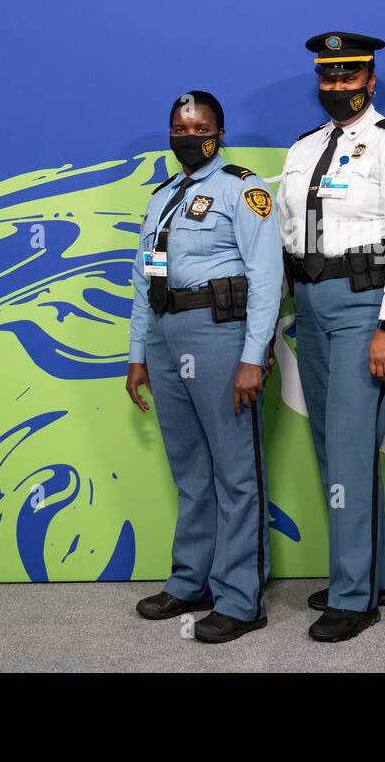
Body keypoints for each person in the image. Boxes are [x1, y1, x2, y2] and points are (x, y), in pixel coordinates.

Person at [278, 32, 385, 642]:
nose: (336, 88)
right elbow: (291, 229)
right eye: (327, 78)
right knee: (334, 443)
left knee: (346, 444)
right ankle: (376, 574)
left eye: (348, 78)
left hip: (367, 307)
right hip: (311, 305)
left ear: (370, 80)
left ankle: (353, 595)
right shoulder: (303, 147)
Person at [126, 90, 283, 644]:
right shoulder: (162, 198)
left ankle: (242, 598)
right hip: (167, 336)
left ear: (220, 130)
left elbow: (267, 278)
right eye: (179, 127)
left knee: (236, 471)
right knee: (191, 470)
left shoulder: (244, 190)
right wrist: (137, 355)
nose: (188, 135)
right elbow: (145, 280)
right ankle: (192, 580)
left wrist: (251, 355)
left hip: (220, 335)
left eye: (200, 126)